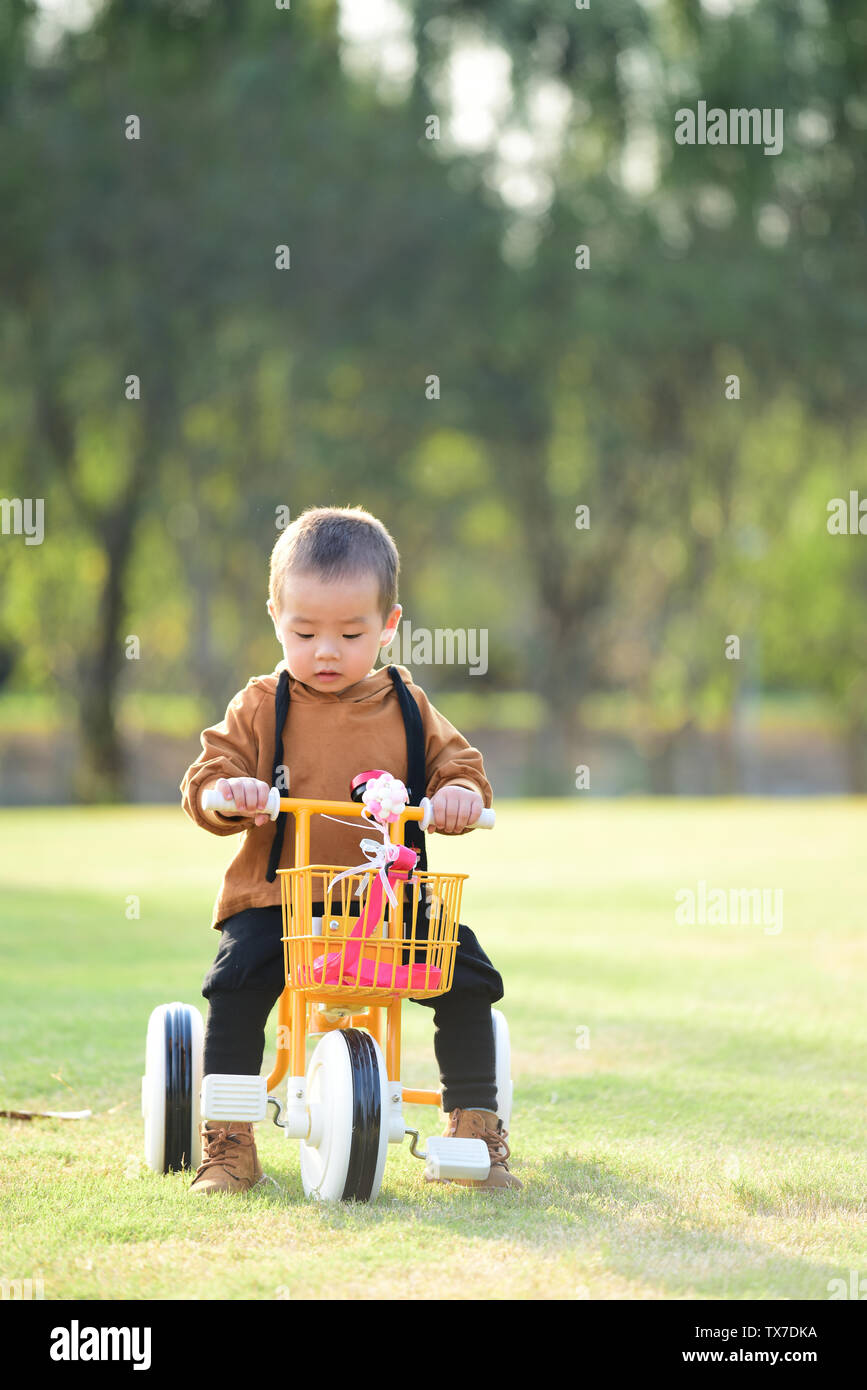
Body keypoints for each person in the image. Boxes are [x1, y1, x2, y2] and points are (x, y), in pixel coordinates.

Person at [180, 505, 521, 1195]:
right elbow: (205, 778)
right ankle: (229, 1140)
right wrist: (228, 793)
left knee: (468, 976)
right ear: (274, 614)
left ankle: (474, 1127)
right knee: (239, 981)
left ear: (389, 625)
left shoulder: (406, 703)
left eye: (350, 632)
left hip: (391, 900)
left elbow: (462, 768)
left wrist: (457, 794)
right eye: (303, 632)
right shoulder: (260, 704)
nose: (326, 651)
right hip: (279, 896)